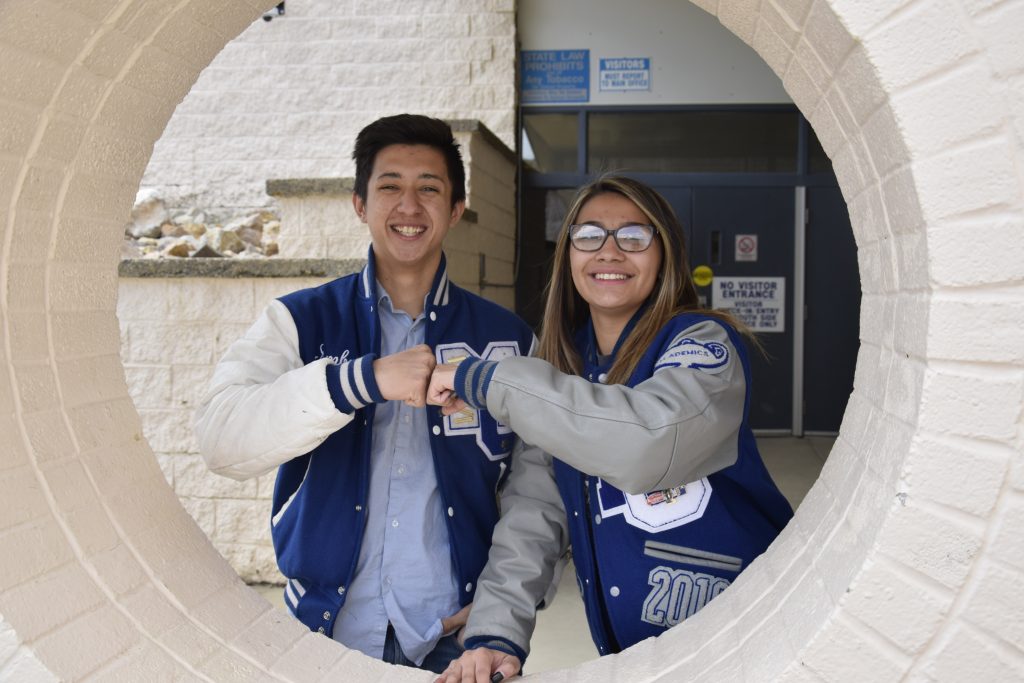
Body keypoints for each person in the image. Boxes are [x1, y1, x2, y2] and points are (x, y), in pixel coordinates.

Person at [194, 114, 535, 673]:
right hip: (325, 633)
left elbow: (534, 492)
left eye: (429, 188)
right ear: (359, 204)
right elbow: (219, 439)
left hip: (457, 638)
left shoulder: (508, 339)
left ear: (454, 210)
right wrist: (358, 381)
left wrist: (504, 611)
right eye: (389, 187)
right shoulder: (300, 320)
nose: (408, 206)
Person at [426, 176, 794, 682]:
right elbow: (536, 511)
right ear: (568, 253)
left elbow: (646, 442)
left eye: (634, 237)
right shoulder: (563, 370)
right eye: (589, 234)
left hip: (743, 641)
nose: (610, 251)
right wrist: (496, 632)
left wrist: (485, 379)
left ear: (665, 253)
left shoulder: (701, 342)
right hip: (635, 656)